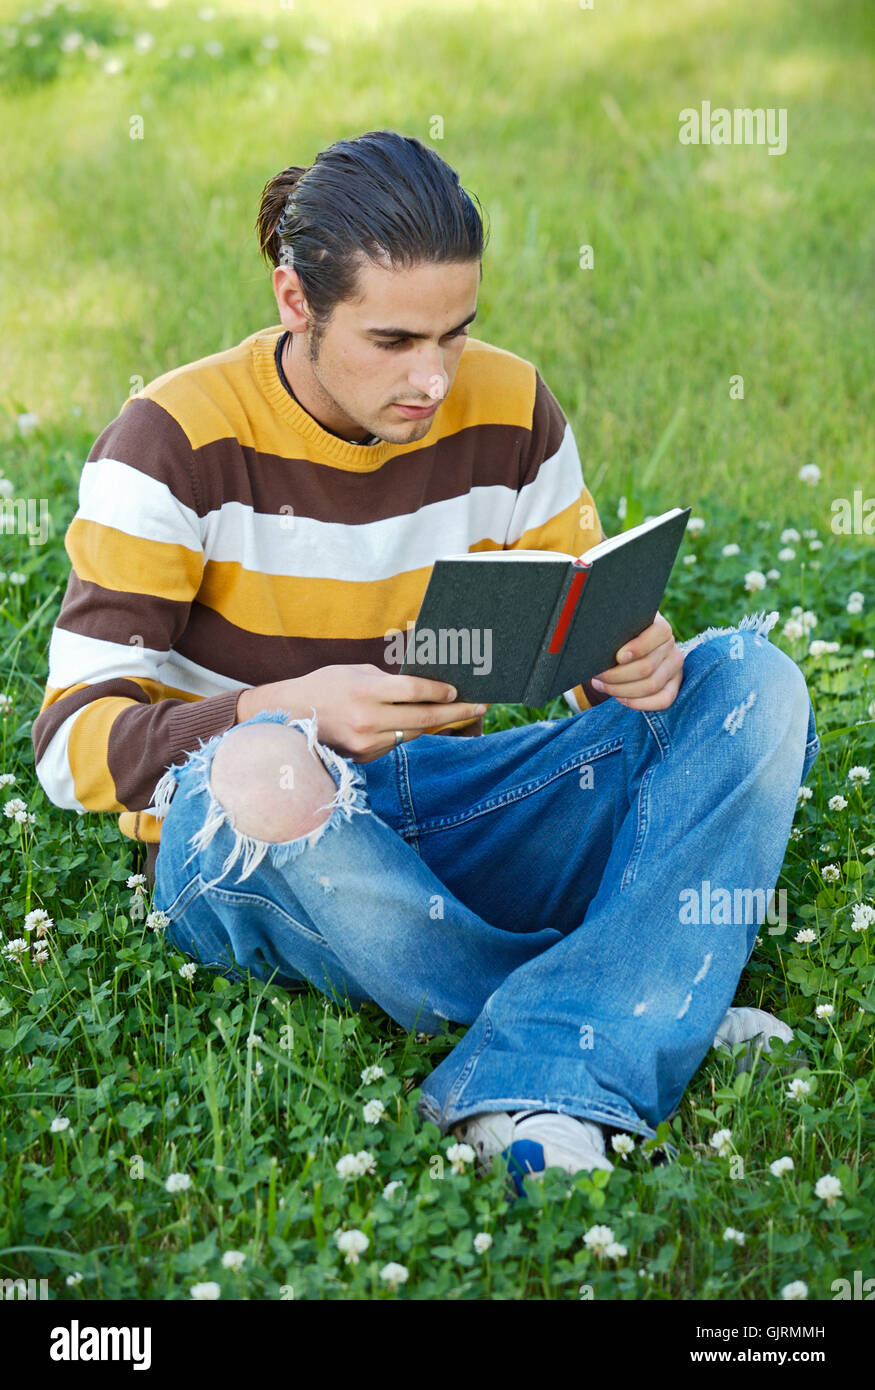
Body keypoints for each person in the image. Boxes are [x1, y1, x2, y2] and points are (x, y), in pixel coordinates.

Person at [32, 129, 819, 1195]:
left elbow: (577, 624)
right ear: (294, 301)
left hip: (450, 802)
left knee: (750, 686)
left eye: (456, 333)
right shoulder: (170, 438)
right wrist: (286, 705)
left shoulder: (507, 409)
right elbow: (71, 742)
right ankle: (632, 998)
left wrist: (620, 662)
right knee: (268, 765)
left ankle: (600, 1006)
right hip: (253, 835)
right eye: (393, 339)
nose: (433, 377)